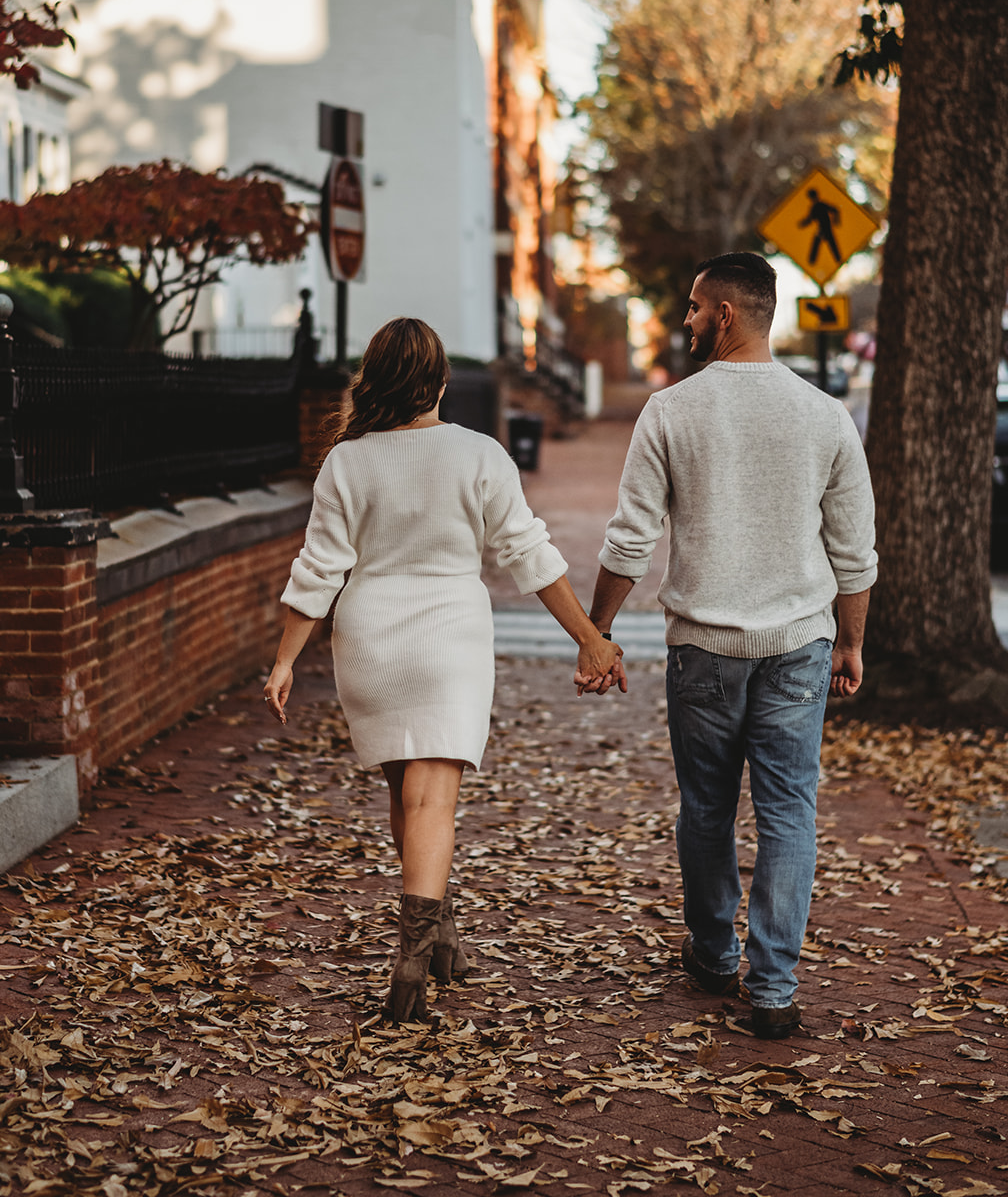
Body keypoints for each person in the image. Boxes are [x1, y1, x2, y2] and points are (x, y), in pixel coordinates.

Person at [263, 317, 622, 1023]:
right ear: (442, 381)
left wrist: (285, 660)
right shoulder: (480, 455)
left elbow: (320, 569)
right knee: (433, 804)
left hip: (369, 642)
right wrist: (590, 638)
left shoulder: (347, 461)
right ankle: (408, 971)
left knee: (407, 795)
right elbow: (531, 557)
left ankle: (443, 939)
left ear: (375, 379)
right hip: (449, 642)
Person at [587, 253, 876, 1041]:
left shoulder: (672, 411)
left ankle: (714, 957)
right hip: (799, 648)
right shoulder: (824, 416)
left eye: (692, 307)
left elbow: (630, 542)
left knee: (707, 810)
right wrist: (851, 643)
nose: (684, 320)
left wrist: (597, 628)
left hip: (705, 653)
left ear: (726, 314)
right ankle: (773, 990)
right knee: (789, 813)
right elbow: (855, 554)